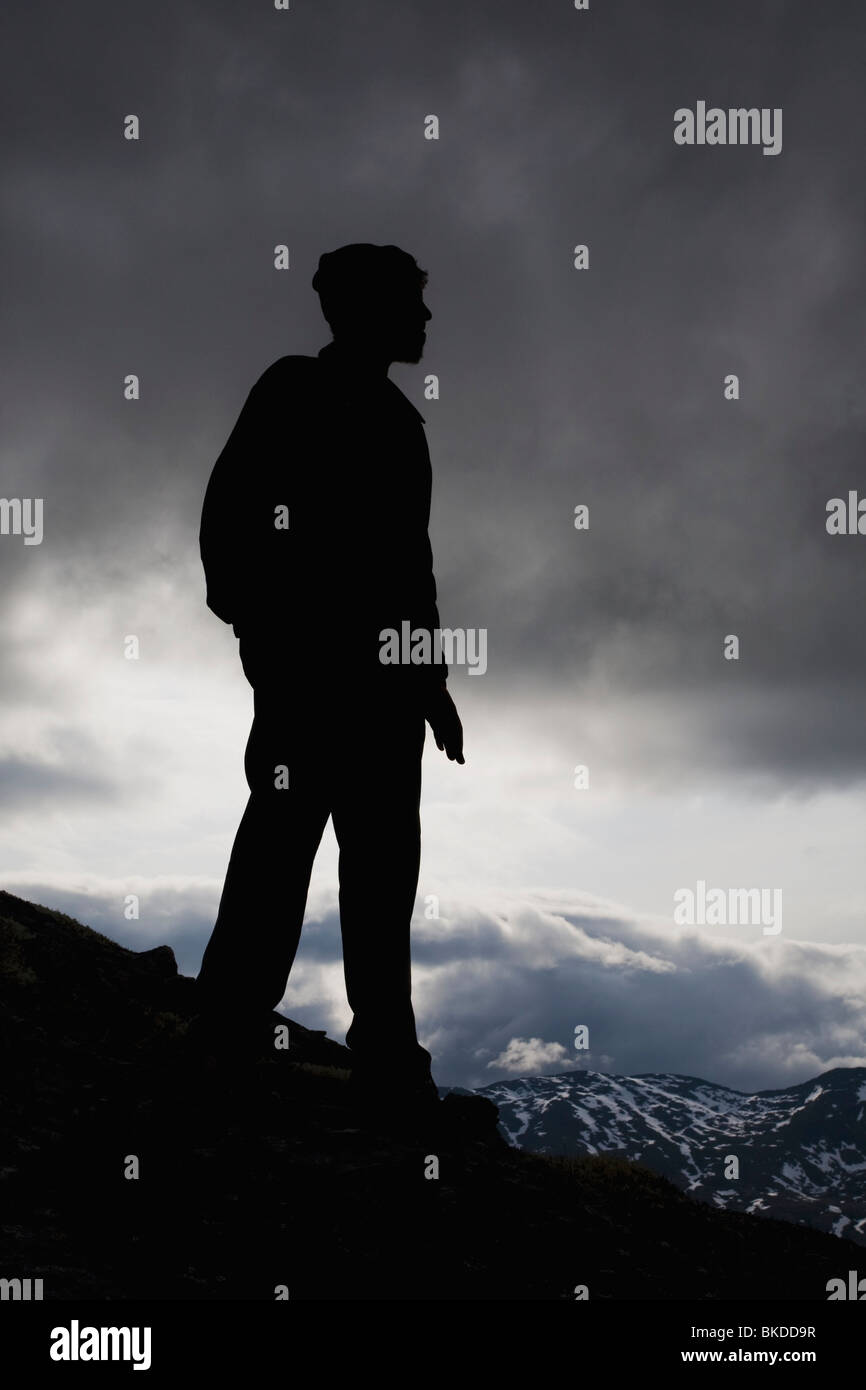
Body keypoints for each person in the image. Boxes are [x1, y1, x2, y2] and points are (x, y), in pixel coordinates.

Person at [194, 243, 464, 1109]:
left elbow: (410, 569)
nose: (425, 321)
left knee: (383, 871)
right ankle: (227, 1031)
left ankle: (386, 1057)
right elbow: (229, 520)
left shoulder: (400, 421)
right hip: (309, 684)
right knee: (281, 847)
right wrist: (266, 640)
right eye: (412, 306)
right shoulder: (292, 391)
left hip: (384, 696)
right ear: (369, 311)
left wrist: (430, 686)